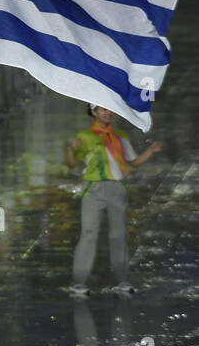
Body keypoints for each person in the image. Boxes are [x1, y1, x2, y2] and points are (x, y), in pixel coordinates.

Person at [65, 105, 163, 297]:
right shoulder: (84, 137)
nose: (107, 113)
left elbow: (132, 163)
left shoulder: (120, 136)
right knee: (88, 234)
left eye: (109, 110)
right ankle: (78, 283)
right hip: (93, 189)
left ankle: (122, 281)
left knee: (118, 235)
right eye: (102, 110)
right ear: (93, 112)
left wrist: (151, 151)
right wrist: (70, 149)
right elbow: (70, 164)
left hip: (116, 189)